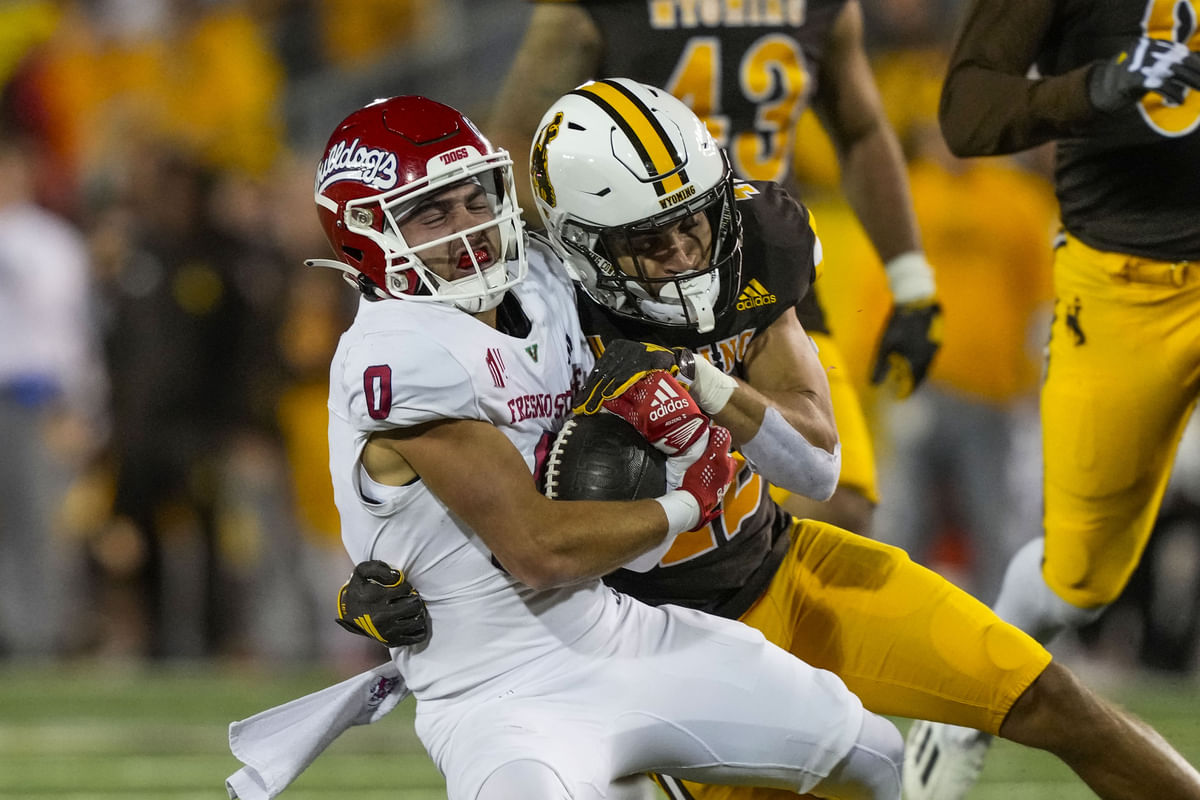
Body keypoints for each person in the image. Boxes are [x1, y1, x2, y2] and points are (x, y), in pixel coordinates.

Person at [342, 78, 1200, 800]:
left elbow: (818, 462)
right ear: (579, 246)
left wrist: (711, 389)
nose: (684, 253)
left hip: (785, 562)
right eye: (649, 239)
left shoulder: (752, 242)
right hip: (654, 638)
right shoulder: (522, 305)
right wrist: (378, 581)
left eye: (695, 221)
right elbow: (436, 455)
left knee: (1055, 700)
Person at [281, 92, 906, 800]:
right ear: (367, 234)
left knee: (876, 756)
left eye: (475, 197)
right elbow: (538, 551)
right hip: (498, 696)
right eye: (433, 212)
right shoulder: (396, 354)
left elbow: (648, 236)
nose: (471, 227)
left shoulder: (548, 279)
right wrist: (689, 500)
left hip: (620, 629)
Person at [487, 0, 945, 538]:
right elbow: (517, 144)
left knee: (839, 503)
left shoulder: (824, 8)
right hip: (639, 287)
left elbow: (862, 130)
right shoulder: (584, 13)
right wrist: (602, 244)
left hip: (761, 268)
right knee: (654, 500)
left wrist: (912, 280)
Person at [901, 3, 1200, 797]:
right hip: (1122, 282)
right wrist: (1094, 88)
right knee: (1079, 578)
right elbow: (966, 115)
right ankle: (968, 701)